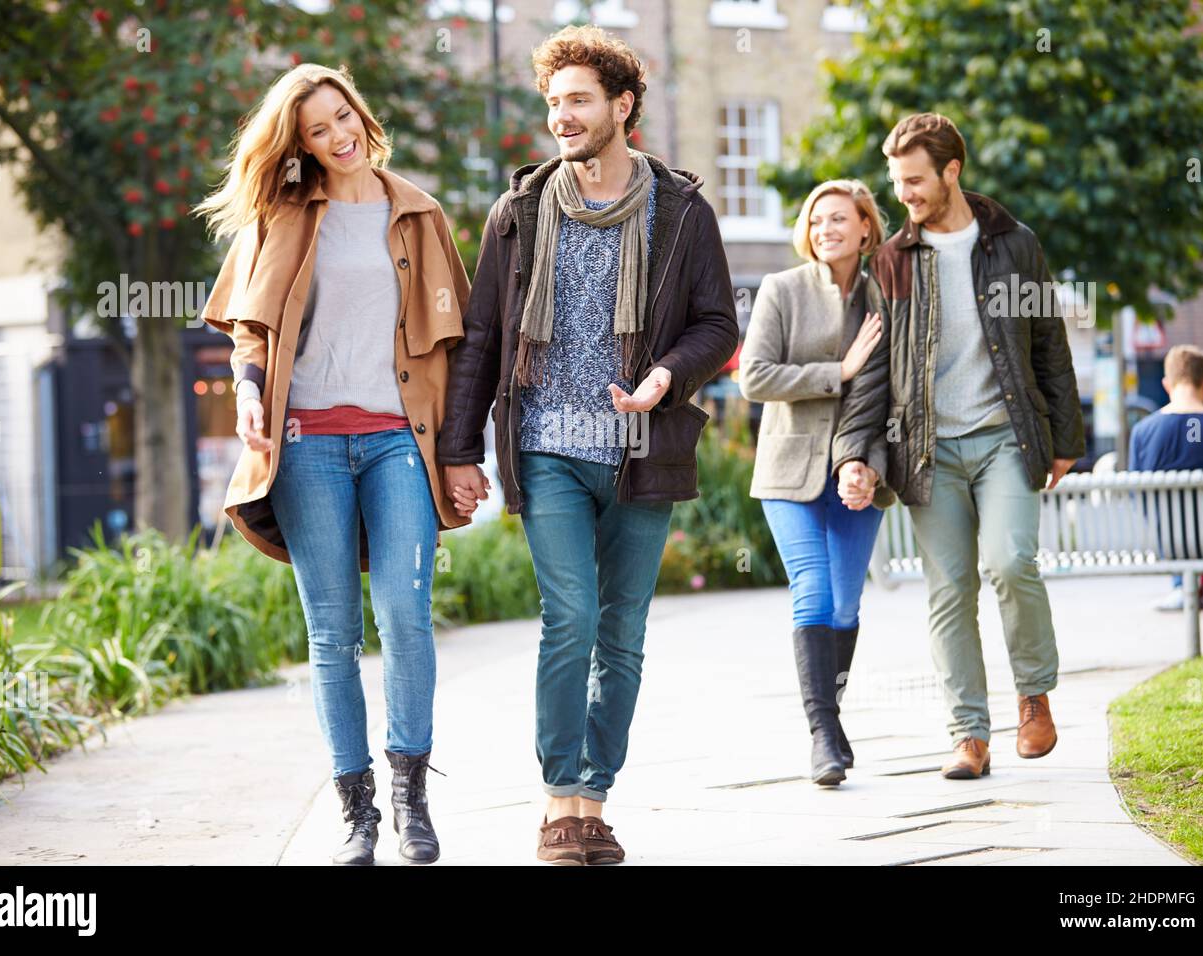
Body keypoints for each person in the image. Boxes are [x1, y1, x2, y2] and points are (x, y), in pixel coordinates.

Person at [435, 25, 738, 864]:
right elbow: (484, 335)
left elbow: (718, 323)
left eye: (577, 101)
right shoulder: (519, 212)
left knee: (624, 635)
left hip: (644, 453)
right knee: (568, 618)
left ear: (622, 106)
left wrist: (667, 376)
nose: (561, 117)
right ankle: (557, 801)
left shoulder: (681, 210)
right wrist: (462, 451)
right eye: (553, 102)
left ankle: (592, 801)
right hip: (546, 448)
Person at [196, 63, 471, 866]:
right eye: (317, 130)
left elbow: (454, 346)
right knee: (332, 634)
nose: (337, 136)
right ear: (302, 144)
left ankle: (411, 799)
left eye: (342, 116)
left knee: (407, 618)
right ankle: (357, 815)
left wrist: (460, 454)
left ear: (361, 112)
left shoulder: (417, 212)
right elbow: (251, 330)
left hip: (396, 442)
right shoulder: (285, 216)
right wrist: (250, 394)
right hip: (308, 442)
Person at [833, 113, 1086, 780]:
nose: (904, 195)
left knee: (1010, 562)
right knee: (949, 590)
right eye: (896, 182)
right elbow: (877, 370)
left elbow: (1049, 344)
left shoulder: (1013, 244)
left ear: (952, 171)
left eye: (915, 180)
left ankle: (1034, 696)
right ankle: (969, 734)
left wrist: (1064, 438)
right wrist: (854, 453)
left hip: (1006, 435)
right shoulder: (892, 260)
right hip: (927, 449)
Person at [738, 179, 890, 787]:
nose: (827, 228)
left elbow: (891, 396)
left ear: (864, 228)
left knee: (847, 604)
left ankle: (833, 717)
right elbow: (755, 377)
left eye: (839, 219)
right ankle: (822, 734)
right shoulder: (782, 289)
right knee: (816, 590)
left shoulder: (888, 296)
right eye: (817, 219)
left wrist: (871, 464)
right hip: (788, 469)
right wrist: (839, 370)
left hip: (861, 474)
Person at [1130, 347, 1203, 611]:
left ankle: (1182, 586)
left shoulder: (1142, 432)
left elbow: (1138, 497)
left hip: (1171, 545)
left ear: (1166, 384)